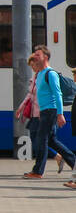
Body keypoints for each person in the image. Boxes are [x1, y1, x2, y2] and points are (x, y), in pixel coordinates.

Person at [25, 45, 74, 179]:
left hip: (51, 111)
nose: (35, 56)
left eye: (38, 55)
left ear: (45, 57)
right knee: (51, 141)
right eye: (35, 54)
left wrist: (60, 114)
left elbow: (57, 94)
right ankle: (73, 161)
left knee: (41, 139)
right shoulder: (40, 74)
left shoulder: (50, 74)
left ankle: (37, 171)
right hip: (45, 111)